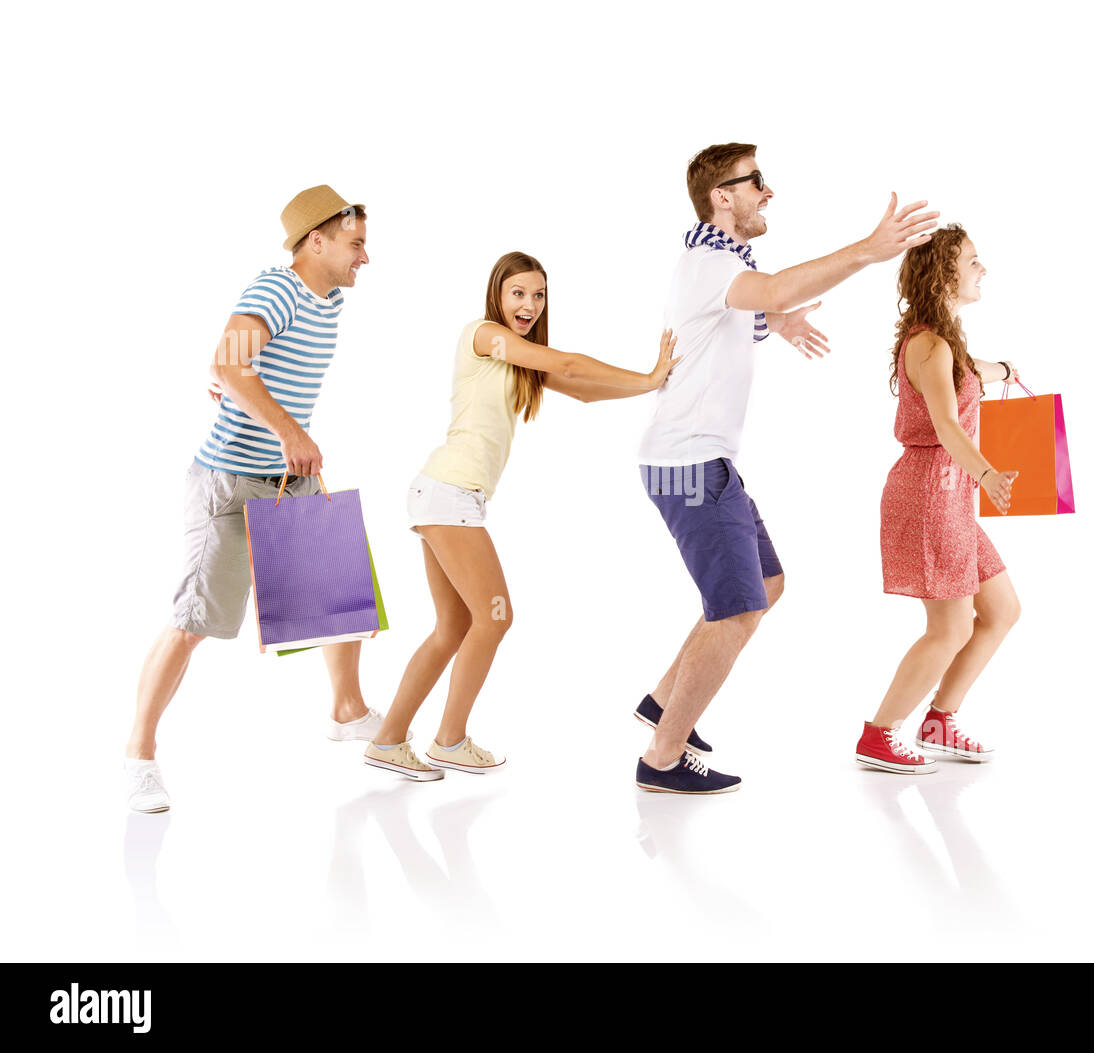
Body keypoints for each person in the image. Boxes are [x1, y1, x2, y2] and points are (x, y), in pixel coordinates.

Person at [634, 143, 940, 794]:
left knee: (765, 583)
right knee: (738, 608)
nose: (768, 192)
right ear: (723, 196)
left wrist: (777, 318)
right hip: (689, 463)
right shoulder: (711, 261)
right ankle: (660, 758)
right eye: (756, 182)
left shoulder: (719, 265)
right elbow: (761, 290)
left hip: (705, 460)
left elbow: (748, 306)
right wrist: (866, 249)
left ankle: (665, 700)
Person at [362, 251, 679, 782]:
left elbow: (580, 389)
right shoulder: (484, 335)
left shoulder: (522, 358)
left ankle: (389, 740)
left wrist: (653, 384)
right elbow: (571, 366)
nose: (528, 304)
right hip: (448, 493)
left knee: (453, 627)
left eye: (538, 295)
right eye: (518, 293)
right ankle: (449, 740)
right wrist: (649, 376)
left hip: (445, 496)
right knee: (495, 617)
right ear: (497, 295)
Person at [125, 186, 381, 813]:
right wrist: (285, 426)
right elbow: (228, 360)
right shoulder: (277, 288)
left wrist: (228, 380)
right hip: (229, 482)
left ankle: (347, 710)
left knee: (343, 593)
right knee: (194, 623)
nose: (365, 258)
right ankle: (138, 757)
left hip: (283, 481)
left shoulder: (330, 303)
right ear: (315, 241)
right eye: (356, 244)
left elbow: (230, 366)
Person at [855, 224, 1022, 774]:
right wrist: (989, 474)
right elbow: (949, 424)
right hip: (932, 493)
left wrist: (1004, 370)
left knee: (1000, 610)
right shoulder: (929, 343)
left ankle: (940, 721)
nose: (982, 270)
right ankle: (879, 734)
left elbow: (966, 374)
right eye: (973, 261)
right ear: (944, 272)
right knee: (948, 627)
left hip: (951, 496)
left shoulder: (945, 342)